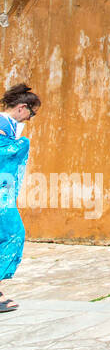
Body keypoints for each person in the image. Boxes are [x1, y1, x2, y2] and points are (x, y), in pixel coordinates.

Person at [0, 83, 41, 312]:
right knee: (13, 233)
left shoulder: (9, 126)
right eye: (31, 113)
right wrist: (19, 146)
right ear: (22, 107)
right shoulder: (2, 125)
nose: (29, 119)